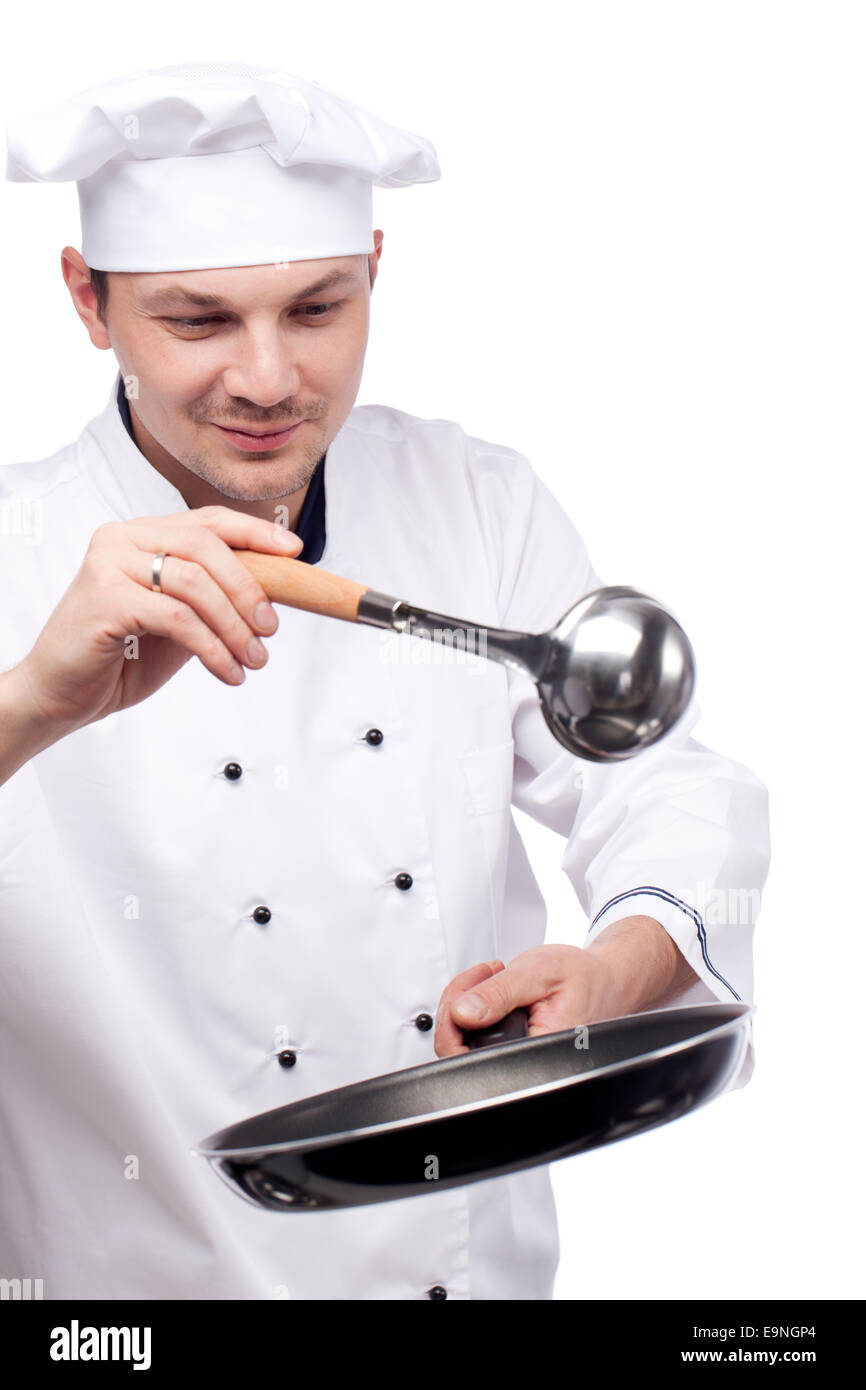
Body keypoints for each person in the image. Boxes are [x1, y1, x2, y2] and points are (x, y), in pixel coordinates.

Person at [0, 63, 770, 1301]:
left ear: (373, 268)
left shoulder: (473, 503)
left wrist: (620, 967)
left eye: (316, 309)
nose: (264, 380)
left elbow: (664, 784)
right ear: (89, 302)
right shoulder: (13, 547)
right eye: (195, 321)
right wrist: (31, 699)